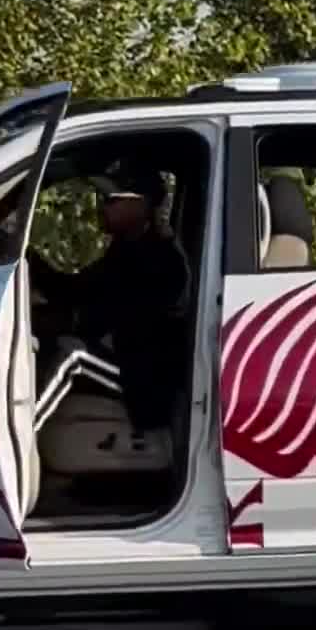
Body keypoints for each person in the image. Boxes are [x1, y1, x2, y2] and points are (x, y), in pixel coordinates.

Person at [29, 165, 190, 436]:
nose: (102, 206)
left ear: (142, 205)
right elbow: (76, 290)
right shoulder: (125, 249)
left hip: (145, 380)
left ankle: (20, 435)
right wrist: (30, 262)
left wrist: (63, 320)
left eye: (112, 199)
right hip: (122, 359)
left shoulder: (162, 260)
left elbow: (110, 317)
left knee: (72, 354)